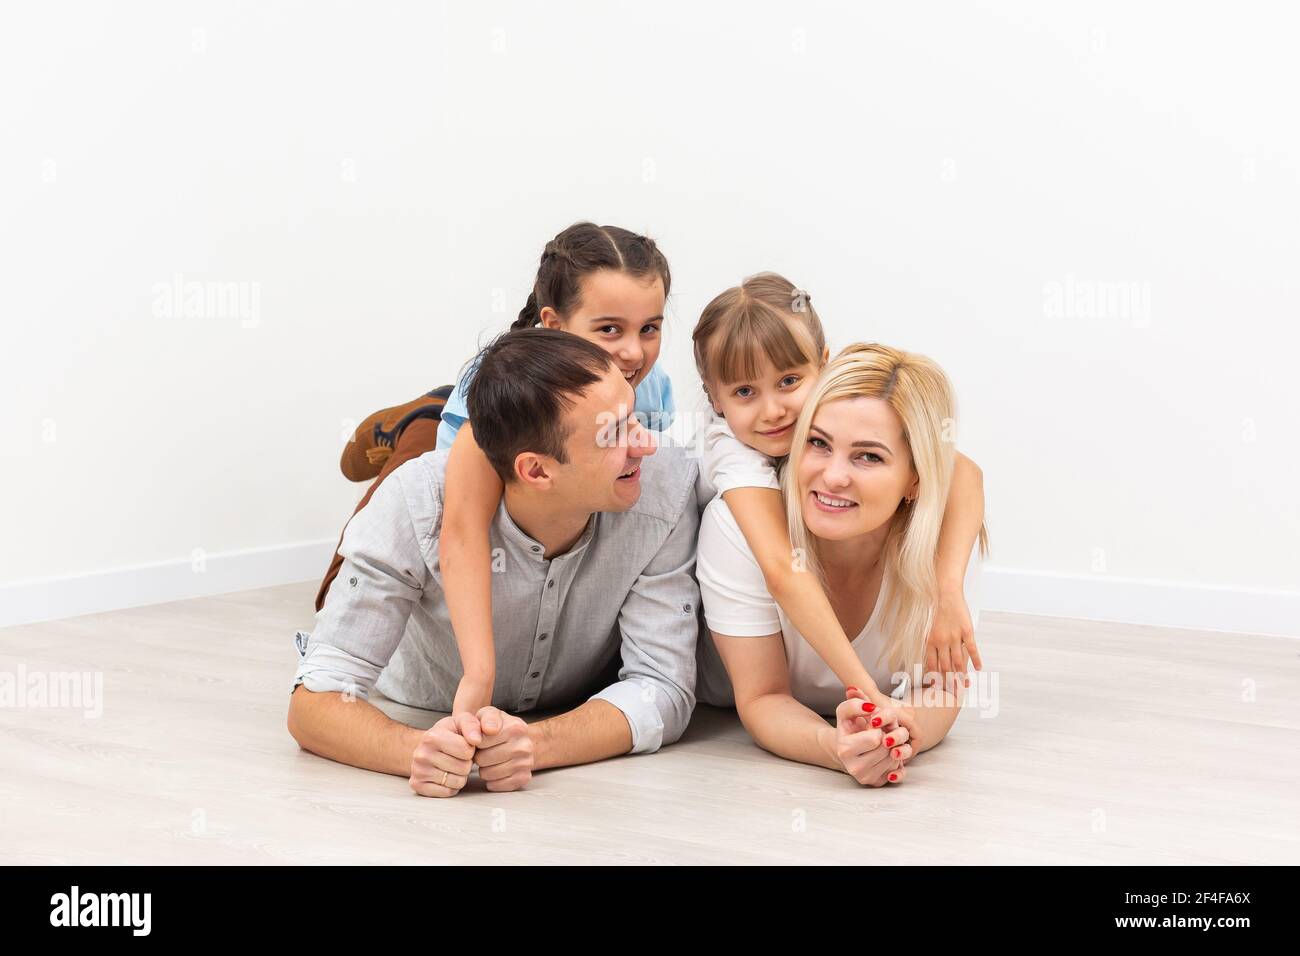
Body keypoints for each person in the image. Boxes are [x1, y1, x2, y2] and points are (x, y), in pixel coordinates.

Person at [288, 328, 701, 797]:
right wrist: (417, 750)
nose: (646, 444)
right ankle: (418, 419)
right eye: (615, 433)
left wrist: (534, 744)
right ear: (537, 470)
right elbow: (314, 701)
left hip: (511, 445)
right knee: (413, 463)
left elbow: (663, 686)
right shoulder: (414, 501)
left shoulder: (665, 486)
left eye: (635, 417)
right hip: (419, 686)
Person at [695, 342, 989, 785]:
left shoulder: (942, 543)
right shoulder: (736, 526)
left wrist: (902, 733)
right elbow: (762, 697)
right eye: (817, 443)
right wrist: (834, 748)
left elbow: (940, 686)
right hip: (714, 712)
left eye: (868, 456)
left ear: (915, 479)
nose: (833, 476)